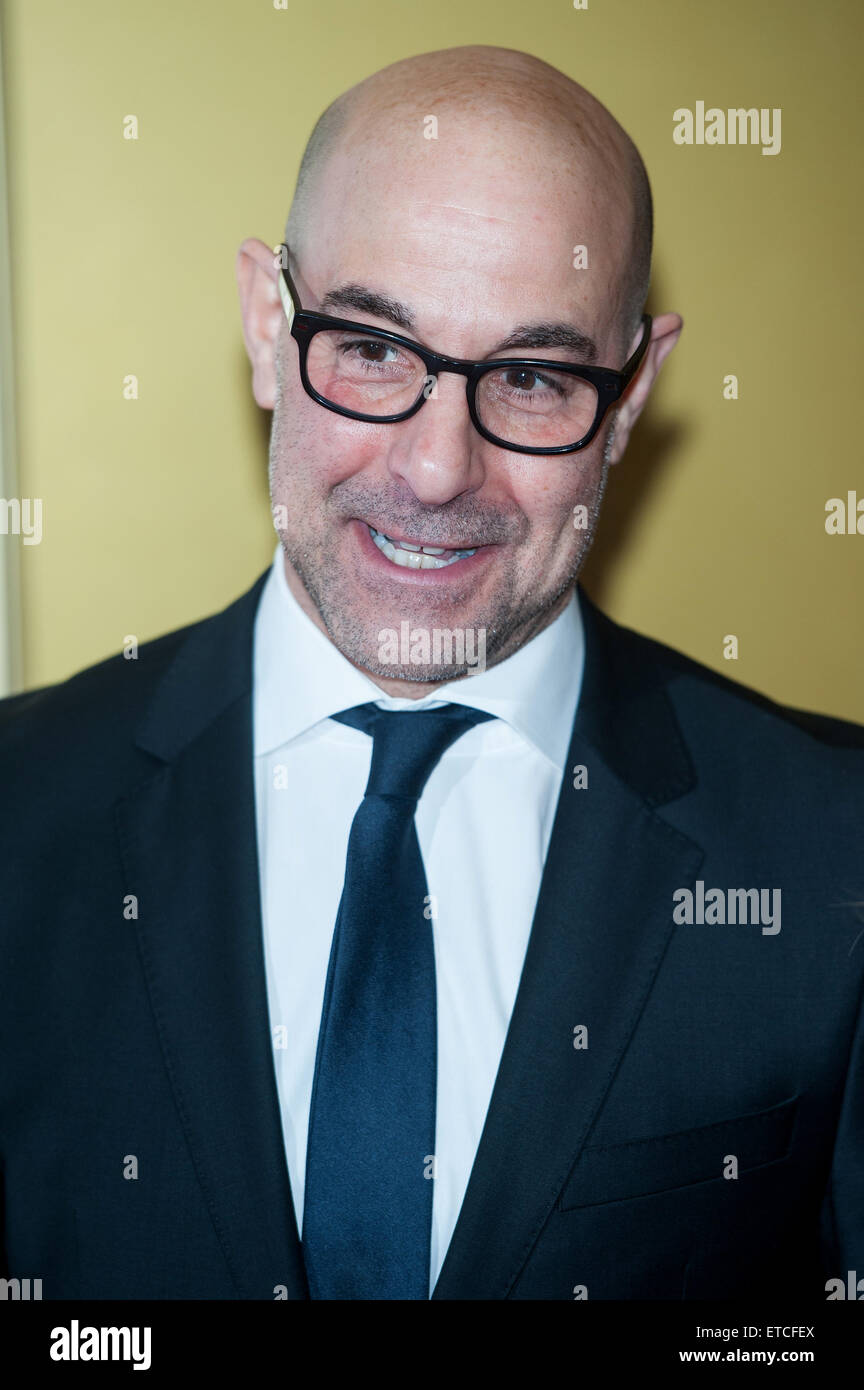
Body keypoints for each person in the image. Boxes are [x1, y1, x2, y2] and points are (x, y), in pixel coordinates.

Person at [1, 45, 861, 1302]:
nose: (437, 469)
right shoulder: (19, 815)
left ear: (628, 403)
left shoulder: (833, 847)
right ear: (265, 323)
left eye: (532, 376)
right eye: (372, 348)